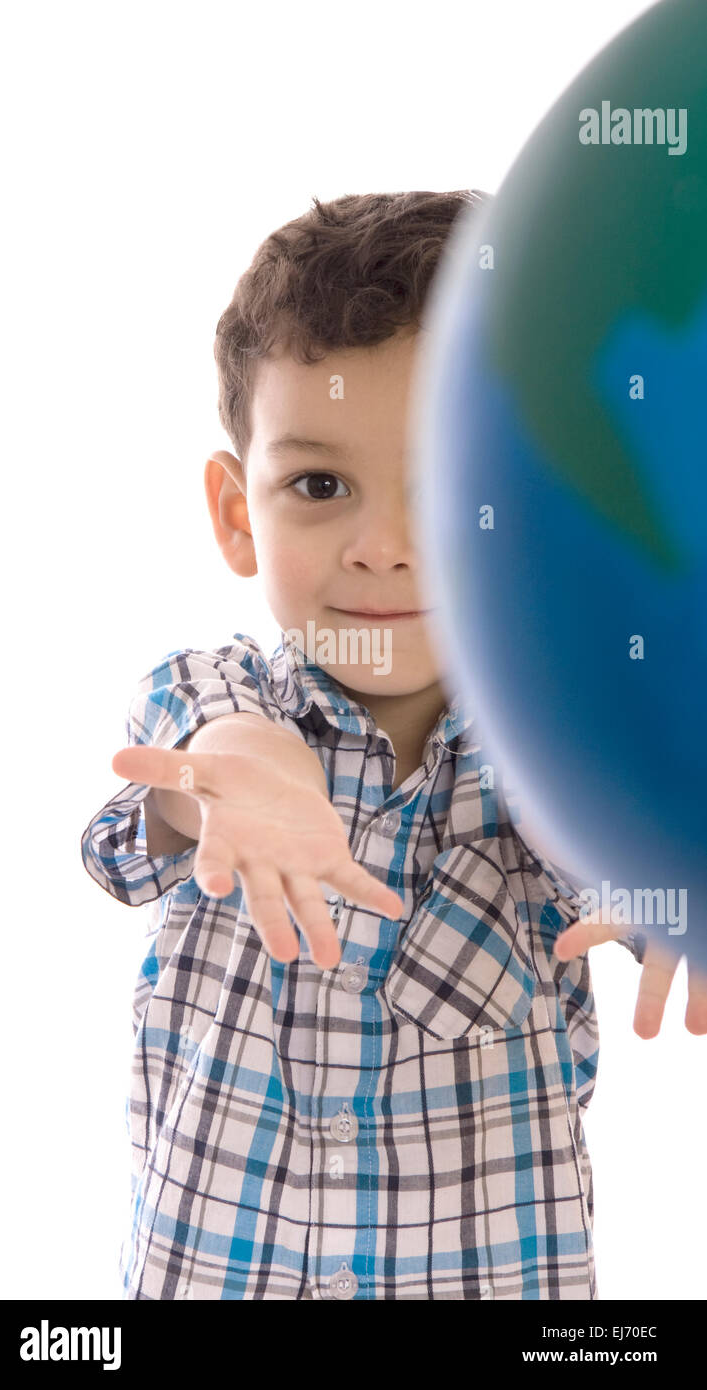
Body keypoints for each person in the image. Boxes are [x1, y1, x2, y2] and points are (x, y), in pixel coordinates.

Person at [81, 190, 671, 1301]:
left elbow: (646, 857)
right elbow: (188, 763)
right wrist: (232, 772)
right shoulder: (213, 698)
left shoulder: (580, 749)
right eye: (317, 485)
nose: (385, 549)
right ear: (235, 512)